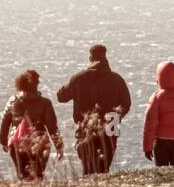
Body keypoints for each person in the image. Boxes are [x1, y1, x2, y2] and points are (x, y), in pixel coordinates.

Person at [56, 44, 131, 175]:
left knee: (88, 169)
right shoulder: (117, 79)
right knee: (104, 168)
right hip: (110, 126)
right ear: (105, 57)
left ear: (90, 58)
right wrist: (117, 116)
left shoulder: (78, 78)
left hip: (86, 126)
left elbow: (61, 96)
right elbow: (127, 103)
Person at [0, 69, 61, 180]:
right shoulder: (45, 103)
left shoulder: (13, 101)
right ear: (37, 84)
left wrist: (3, 141)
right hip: (39, 144)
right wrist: (59, 146)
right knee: (38, 174)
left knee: (22, 175)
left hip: (17, 144)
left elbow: (4, 121)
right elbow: (52, 127)